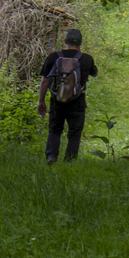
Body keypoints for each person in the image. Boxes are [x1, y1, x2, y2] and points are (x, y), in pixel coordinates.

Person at [37, 28, 98, 164]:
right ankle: (69, 162)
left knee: (55, 130)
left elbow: (45, 81)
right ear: (81, 43)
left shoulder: (54, 57)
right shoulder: (86, 59)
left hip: (56, 101)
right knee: (74, 134)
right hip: (77, 102)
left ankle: (52, 156)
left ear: (65, 41)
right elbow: (94, 73)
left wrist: (41, 101)